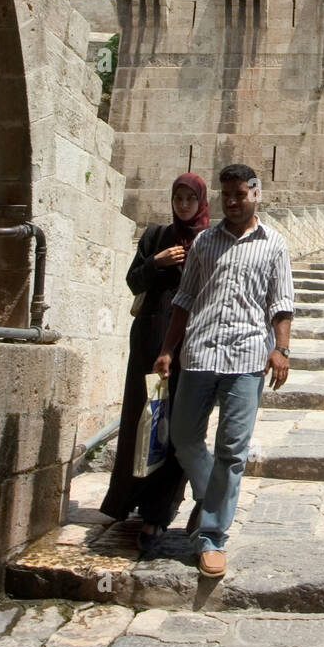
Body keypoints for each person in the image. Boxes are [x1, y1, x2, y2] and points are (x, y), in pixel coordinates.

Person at [154, 163, 294, 579]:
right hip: (199, 353)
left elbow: (281, 302)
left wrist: (281, 349)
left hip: (248, 357)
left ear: (256, 193)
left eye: (240, 194)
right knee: (183, 436)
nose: (232, 202)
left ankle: (211, 536)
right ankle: (211, 495)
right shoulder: (204, 243)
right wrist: (166, 349)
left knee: (233, 449)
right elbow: (184, 299)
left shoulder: (274, 245)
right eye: (226, 195)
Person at [100, 173, 210, 552]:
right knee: (141, 419)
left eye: (189, 199)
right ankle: (126, 500)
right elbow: (133, 282)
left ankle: (158, 512)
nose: (183, 205)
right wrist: (157, 262)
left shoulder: (208, 241)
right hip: (149, 340)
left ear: (200, 202)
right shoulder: (154, 237)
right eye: (177, 198)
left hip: (188, 344)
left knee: (176, 425)